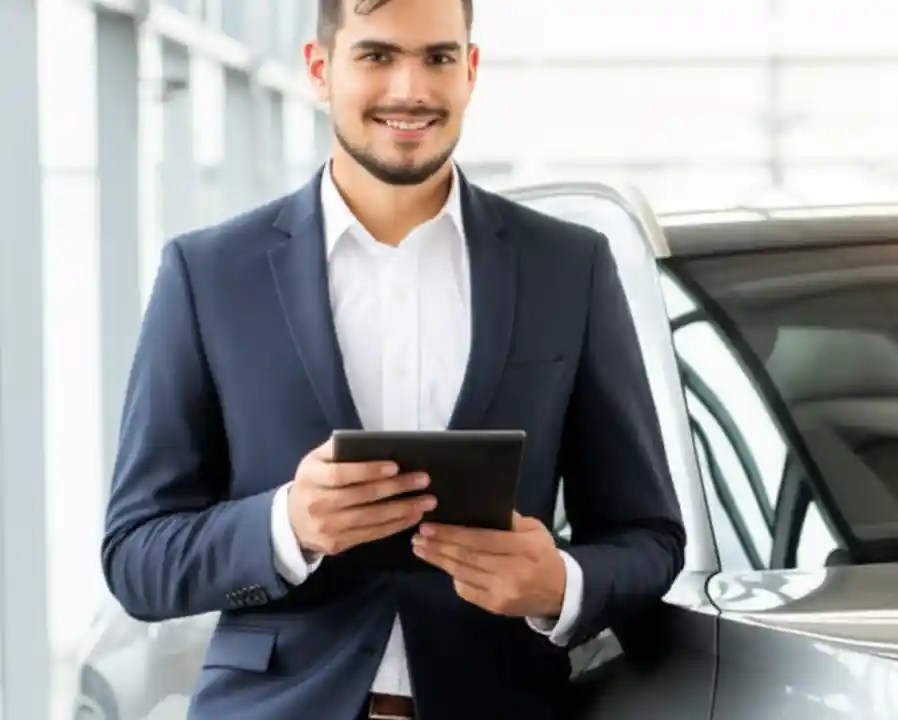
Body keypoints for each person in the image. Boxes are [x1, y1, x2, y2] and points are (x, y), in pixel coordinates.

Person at [99, 0, 685, 717]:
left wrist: (559, 583)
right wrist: (288, 526)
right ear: (321, 70)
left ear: (470, 71)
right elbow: (136, 557)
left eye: (438, 57)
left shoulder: (568, 268)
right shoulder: (212, 275)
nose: (410, 89)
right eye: (377, 56)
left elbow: (649, 537)